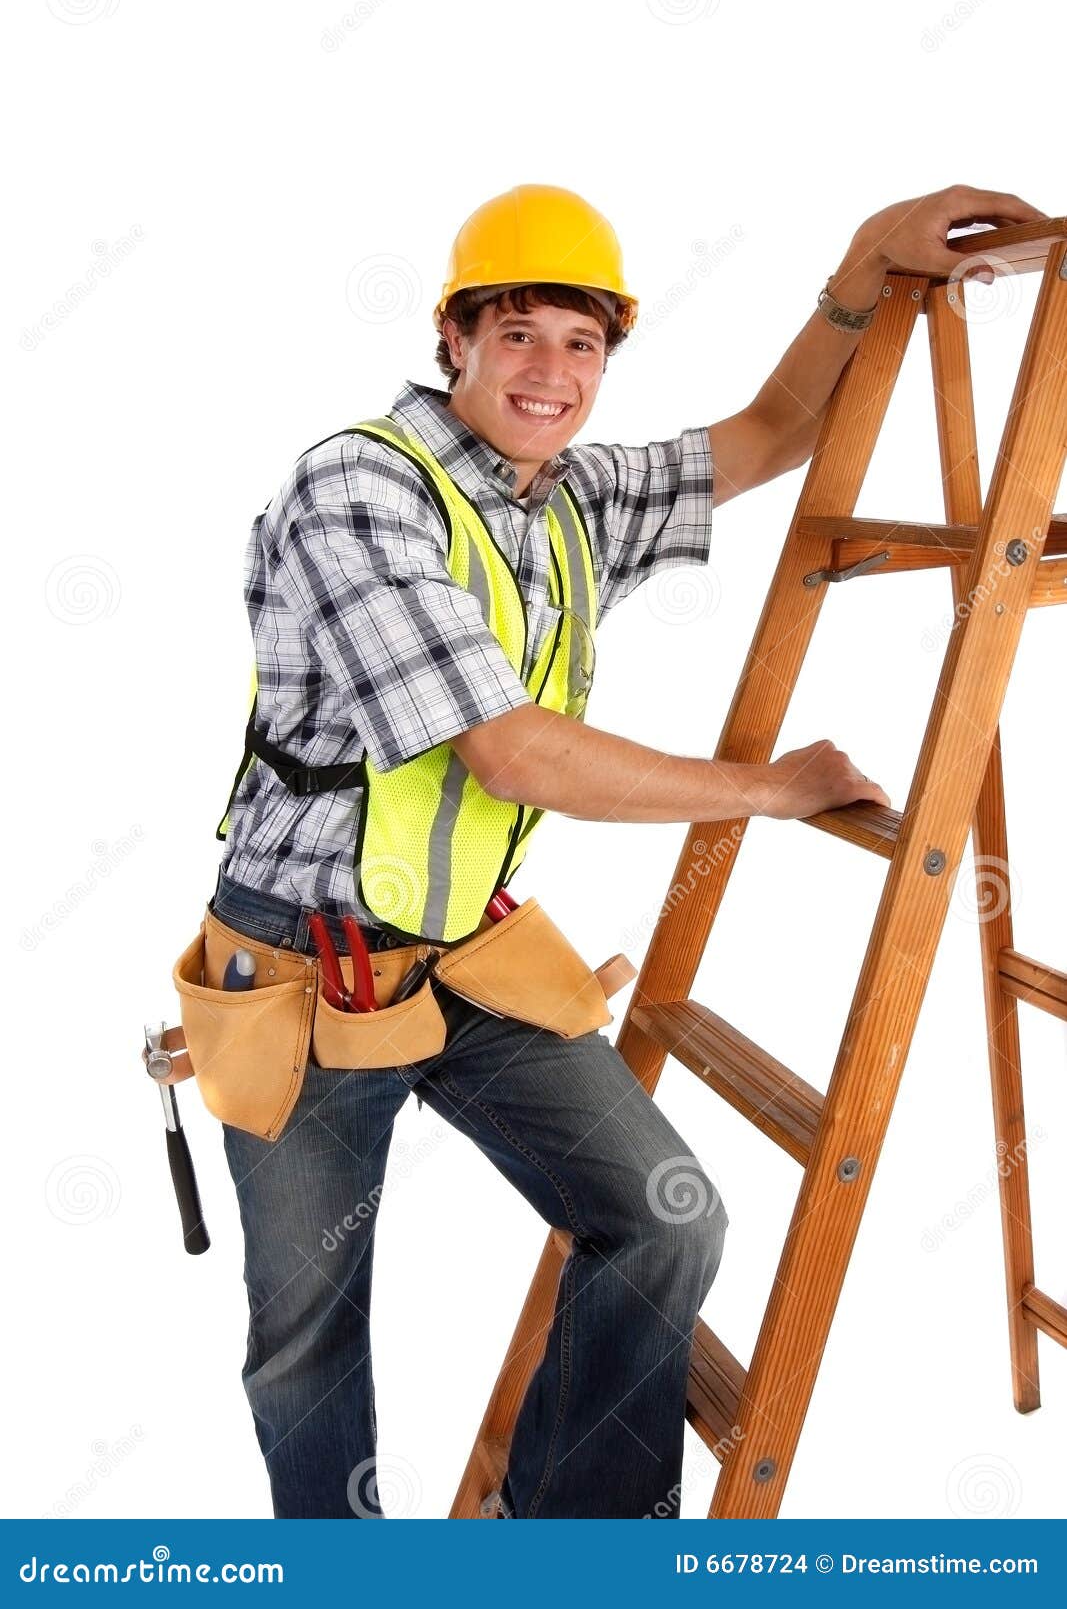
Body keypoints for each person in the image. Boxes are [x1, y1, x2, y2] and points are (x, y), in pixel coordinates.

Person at [209, 181, 1044, 1518]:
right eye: (519, 333)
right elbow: (509, 749)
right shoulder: (359, 485)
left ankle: (570, 1551)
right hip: (303, 968)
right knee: (308, 1335)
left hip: (466, 951)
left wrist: (863, 261)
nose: (551, 371)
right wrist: (760, 788)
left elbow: (774, 430)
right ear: (456, 341)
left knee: (666, 1215)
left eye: (582, 343)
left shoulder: (571, 498)